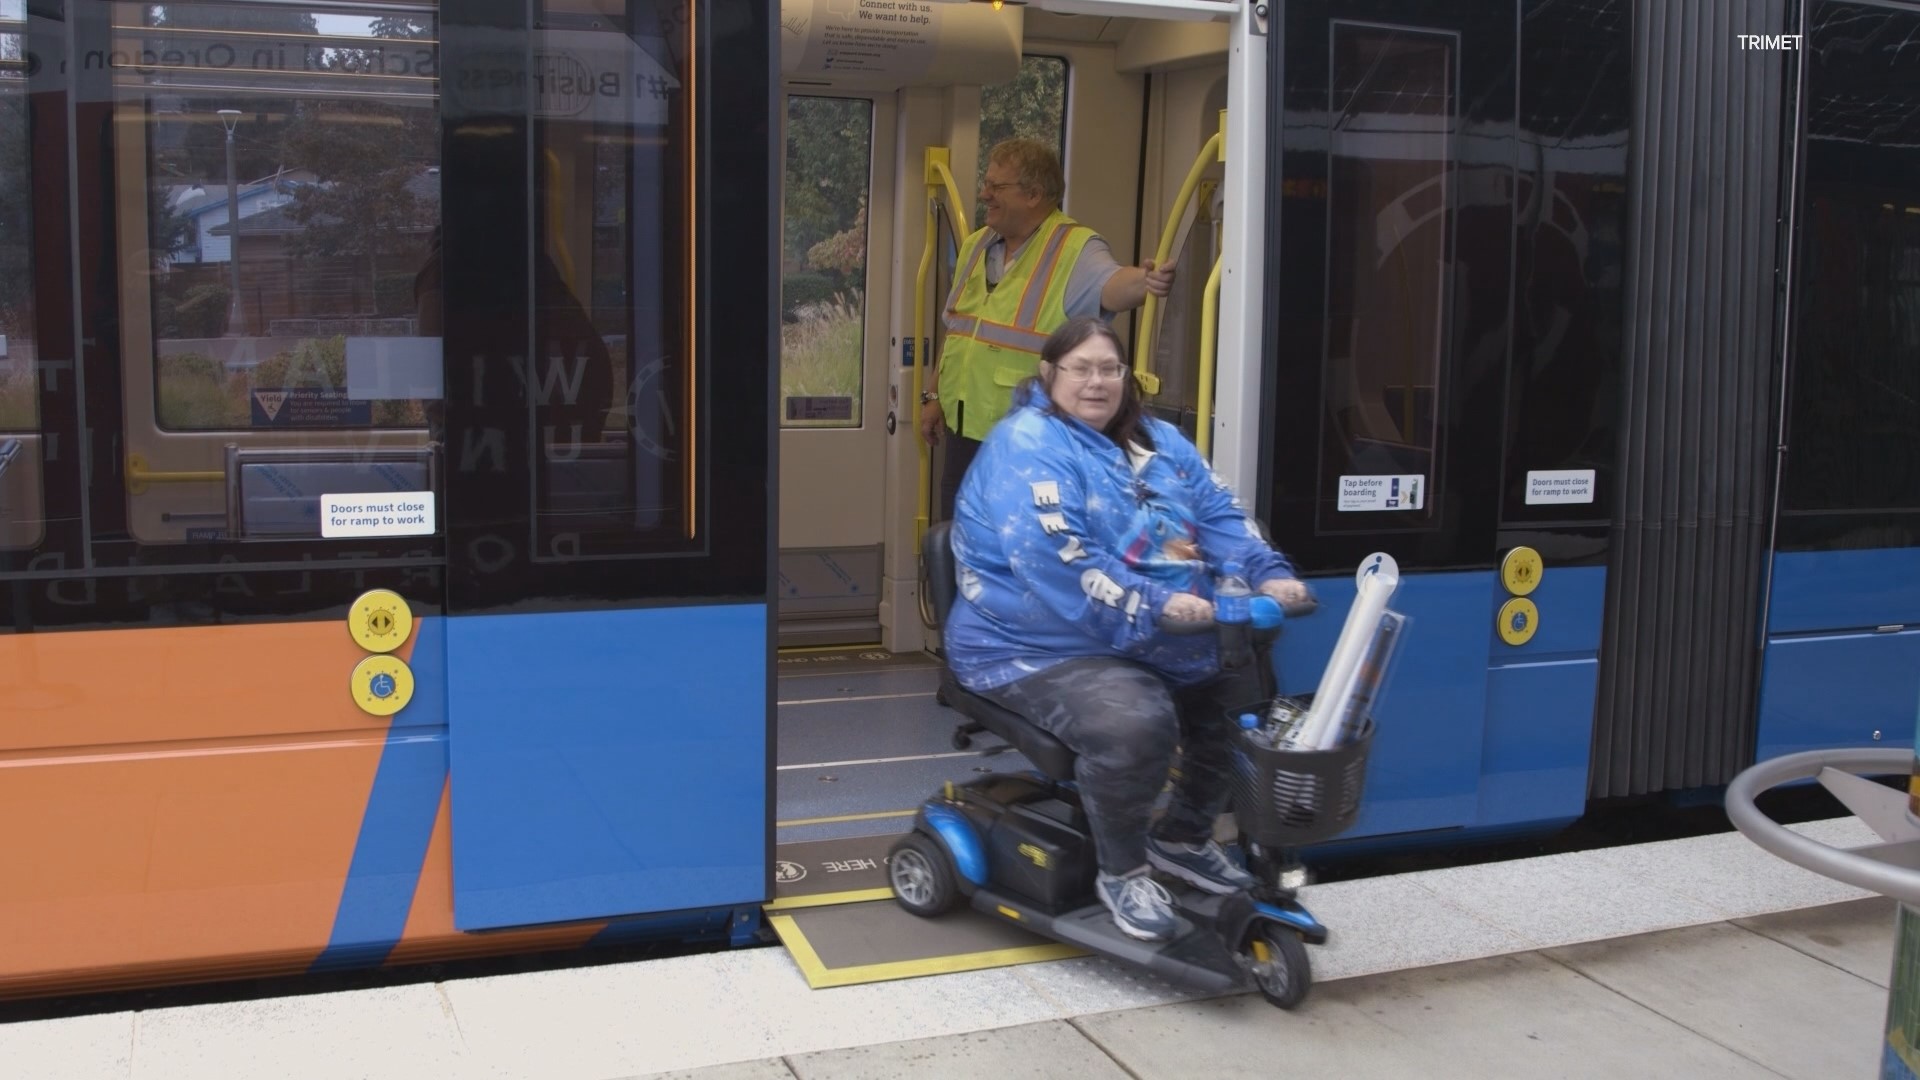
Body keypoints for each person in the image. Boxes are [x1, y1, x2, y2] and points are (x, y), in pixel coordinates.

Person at [944, 316, 1312, 942]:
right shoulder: (1025, 445)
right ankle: (1123, 872)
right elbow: (1061, 562)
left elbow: (1220, 515)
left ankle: (1184, 838)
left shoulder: (1161, 440)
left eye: (1108, 369)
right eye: (1079, 368)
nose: (1096, 382)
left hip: (1149, 631)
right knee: (1135, 723)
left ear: (1125, 377)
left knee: (1243, 694)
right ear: (1049, 374)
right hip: (1033, 645)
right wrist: (1155, 608)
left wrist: (1268, 573)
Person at [920, 139, 1177, 520]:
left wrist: (1146, 281)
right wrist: (934, 394)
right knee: (961, 553)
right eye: (985, 183)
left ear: (1034, 195)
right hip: (965, 436)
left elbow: (1113, 285)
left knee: (1019, 559)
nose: (984, 194)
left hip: (1032, 443)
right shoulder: (977, 245)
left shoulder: (1074, 249)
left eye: (996, 186)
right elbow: (958, 328)